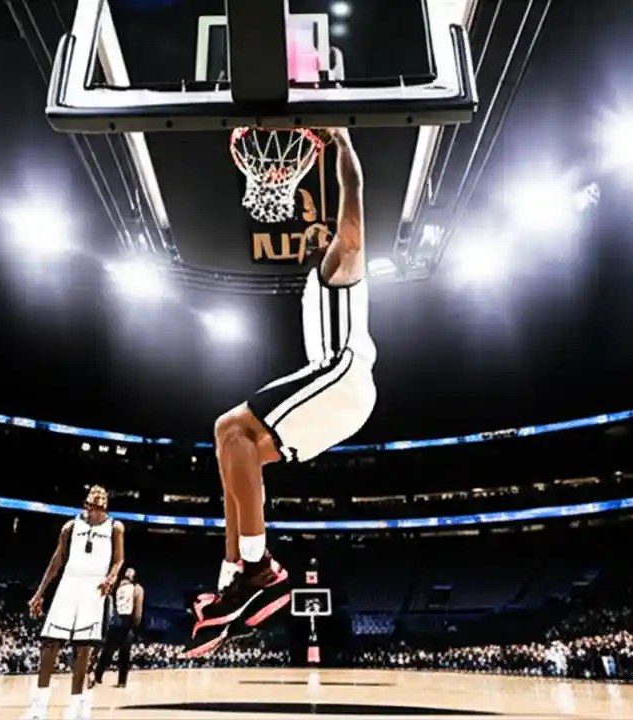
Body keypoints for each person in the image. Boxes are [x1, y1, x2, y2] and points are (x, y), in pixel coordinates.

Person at [185, 128, 376, 658]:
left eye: (326, 228)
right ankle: (234, 578)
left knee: (231, 426)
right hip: (338, 395)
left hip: (342, 372)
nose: (320, 231)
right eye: (315, 231)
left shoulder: (342, 265)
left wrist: (343, 146)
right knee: (232, 448)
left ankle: (261, 569)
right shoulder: (317, 279)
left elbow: (354, 217)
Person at [21, 486, 124, 720]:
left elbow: (119, 559)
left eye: (101, 504)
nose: (96, 508)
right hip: (68, 585)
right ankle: (39, 708)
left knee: (83, 650)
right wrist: (39, 593)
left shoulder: (115, 527)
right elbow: (57, 560)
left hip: (94, 589)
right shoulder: (70, 526)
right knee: (49, 645)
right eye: (93, 504)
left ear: (106, 506)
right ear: (85, 504)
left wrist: (112, 577)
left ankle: (76, 708)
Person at [92, 567, 143, 688]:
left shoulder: (117, 588)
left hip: (116, 620)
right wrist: (135, 623)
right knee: (125, 653)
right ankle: (122, 681)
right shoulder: (137, 588)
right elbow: (138, 610)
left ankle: (98, 675)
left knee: (107, 651)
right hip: (127, 621)